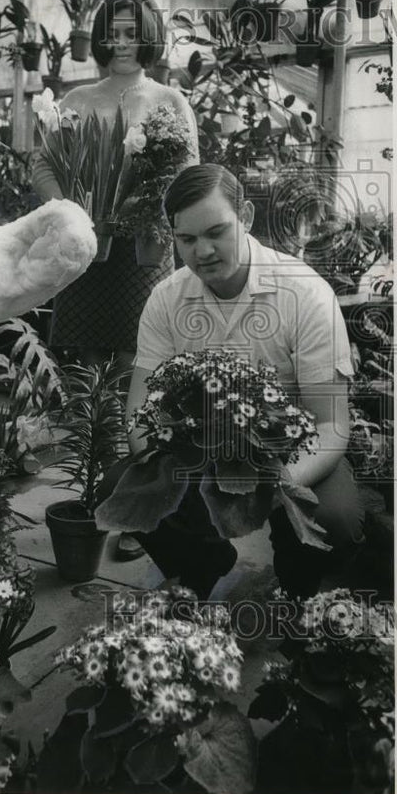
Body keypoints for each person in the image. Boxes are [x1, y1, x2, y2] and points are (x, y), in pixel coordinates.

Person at [111, 163, 365, 598]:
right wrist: (178, 475)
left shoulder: (304, 294)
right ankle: (200, 566)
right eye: (187, 239)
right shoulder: (166, 299)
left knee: (337, 518)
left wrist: (276, 482)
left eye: (217, 231)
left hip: (293, 446)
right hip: (201, 446)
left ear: (245, 217)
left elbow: (330, 426)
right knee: (121, 486)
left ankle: (296, 590)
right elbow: (139, 414)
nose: (202, 251)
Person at [31, 0, 199, 560]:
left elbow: (190, 177)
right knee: (86, 376)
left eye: (133, 32)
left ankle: (135, 512)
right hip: (90, 252)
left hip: (144, 256)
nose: (123, 43)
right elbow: (42, 164)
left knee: (142, 376)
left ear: (148, 35)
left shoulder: (171, 101)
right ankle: (90, 499)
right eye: (114, 32)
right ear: (101, 37)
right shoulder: (78, 98)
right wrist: (73, 213)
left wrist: (153, 207)